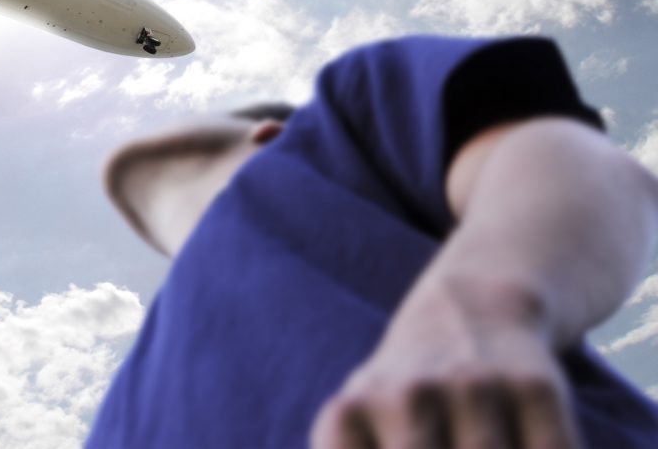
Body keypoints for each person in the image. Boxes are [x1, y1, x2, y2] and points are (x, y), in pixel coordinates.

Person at [85, 35, 658, 448]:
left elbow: (570, 161)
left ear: (268, 132)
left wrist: (484, 305)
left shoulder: (334, 128)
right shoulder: (114, 415)